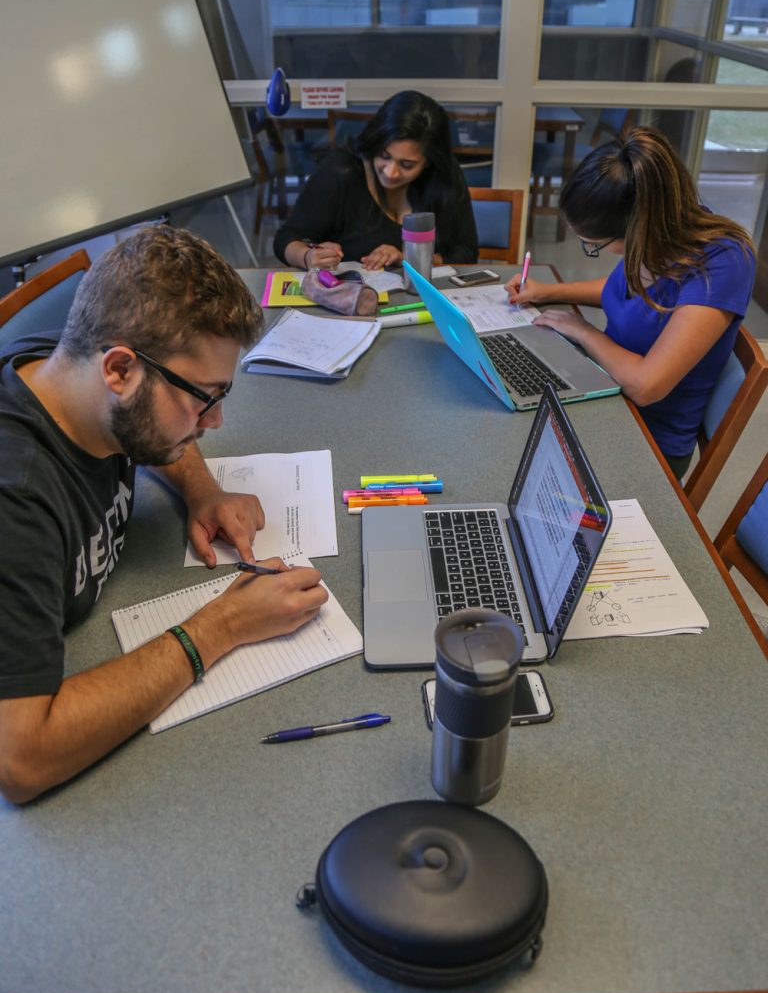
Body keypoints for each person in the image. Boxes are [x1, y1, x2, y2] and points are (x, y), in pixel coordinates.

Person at [0, 226, 327, 804]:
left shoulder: (70, 362)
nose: (215, 422)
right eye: (204, 398)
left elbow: (145, 421)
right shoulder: (17, 502)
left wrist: (201, 488)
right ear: (119, 371)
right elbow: (22, 759)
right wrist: (223, 624)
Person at [506, 126, 756, 479]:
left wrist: (583, 331)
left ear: (639, 227)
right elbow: (625, 293)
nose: (592, 249)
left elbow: (646, 386)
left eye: (594, 245)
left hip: (648, 438)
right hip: (608, 392)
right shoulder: (661, 230)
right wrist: (548, 292)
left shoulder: (722, 262)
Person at [273, 90, 478, 270]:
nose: (391, 172)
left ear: (428, 162)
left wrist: (409, 258)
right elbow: (286, 239)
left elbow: (466, 252)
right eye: (384, 156)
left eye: (407, 164)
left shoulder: (443, 175)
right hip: (351, 296)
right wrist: (308, 256)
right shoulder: (341, 170)